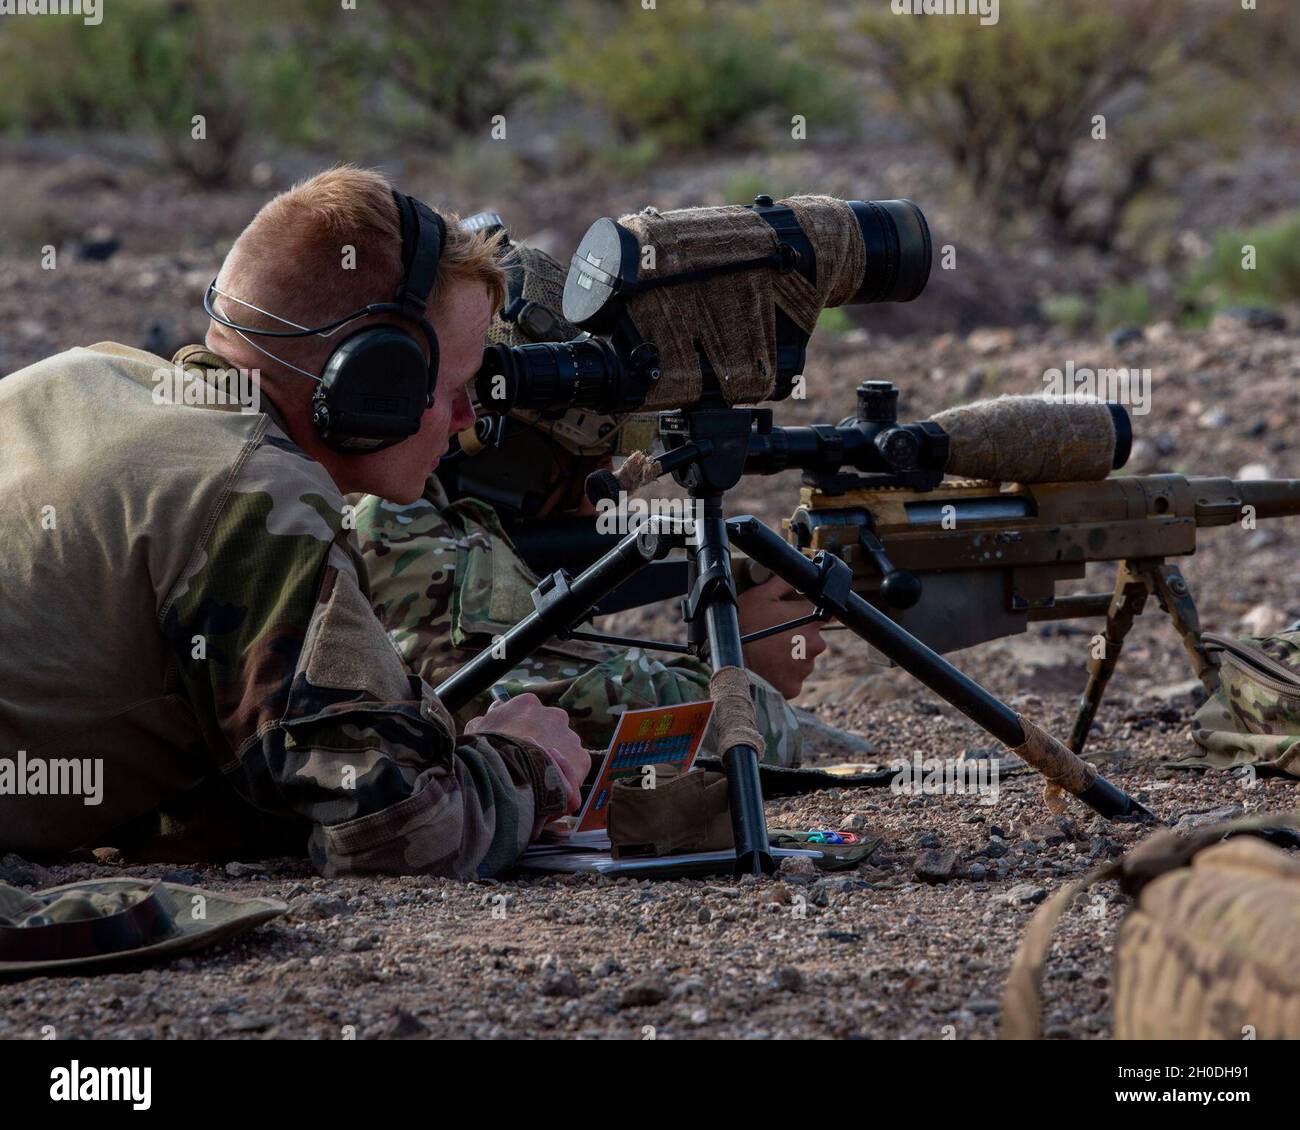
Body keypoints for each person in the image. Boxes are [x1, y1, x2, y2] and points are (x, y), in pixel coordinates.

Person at [0, 166, 589, 878]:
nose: (468, 421)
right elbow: (396, 831)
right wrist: (525, 762)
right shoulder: (253, 489)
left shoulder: (77, 378)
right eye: (455, 388)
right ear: (371, 381)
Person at [355, 235, 828, 766]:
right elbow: (615, 724)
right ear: (511, 456)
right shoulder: (403, 526)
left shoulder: (403, 502)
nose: (607, 485)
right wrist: (747, 669)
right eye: (593, 459)